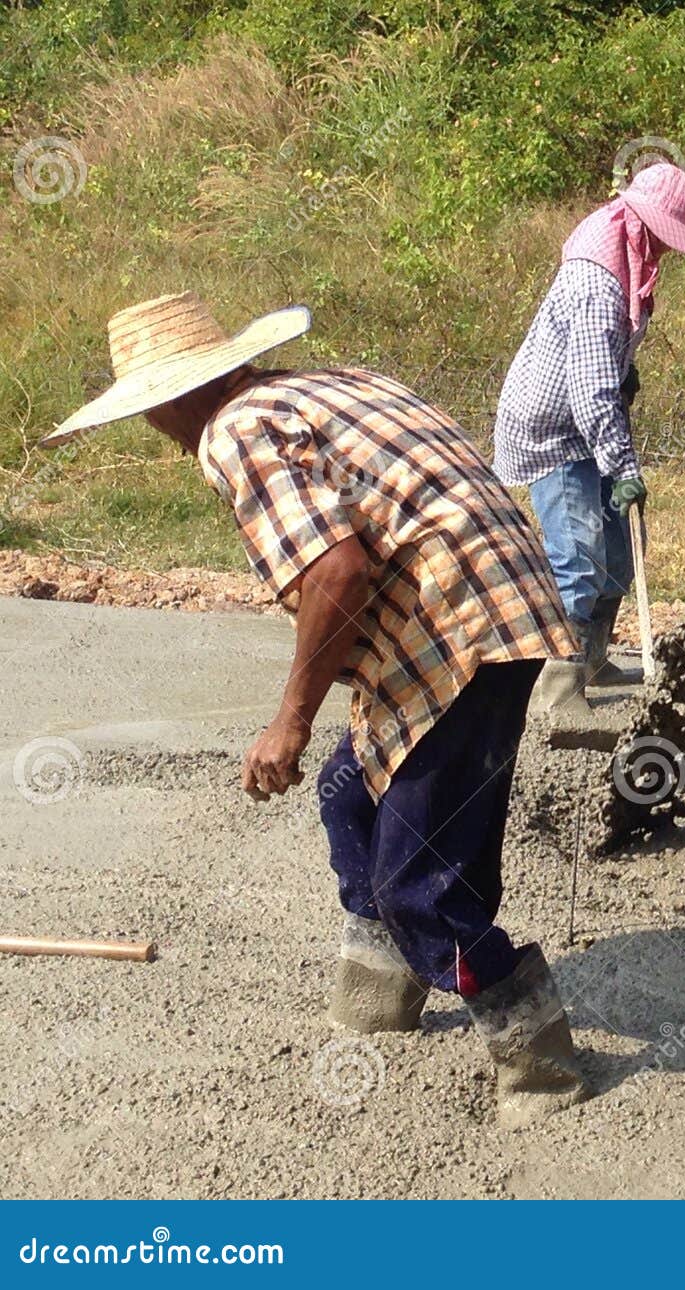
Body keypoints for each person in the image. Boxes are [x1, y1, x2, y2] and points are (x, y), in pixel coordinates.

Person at [45, 292, 593, 1128]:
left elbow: (337, 573)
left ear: (165, 402)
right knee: (352, 792)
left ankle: (540, 1061)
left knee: (418, 880)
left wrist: (291, 718)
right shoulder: (320, 387)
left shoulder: (235, 431)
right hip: (489, 606)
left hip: (458, 625)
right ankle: (380, 990)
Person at [493, 160, 685, 713]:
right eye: (663, 236)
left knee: (619, 549)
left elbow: (601, 372)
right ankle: (556, 683)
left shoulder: (629, 252)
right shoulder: (599, 278)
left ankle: (591, 656)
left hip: (586, 423)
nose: (666, 250)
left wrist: (624, 370)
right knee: (580, 553)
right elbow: (590, 392)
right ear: (640, 220)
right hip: (551, 429)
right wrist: (625, 467)